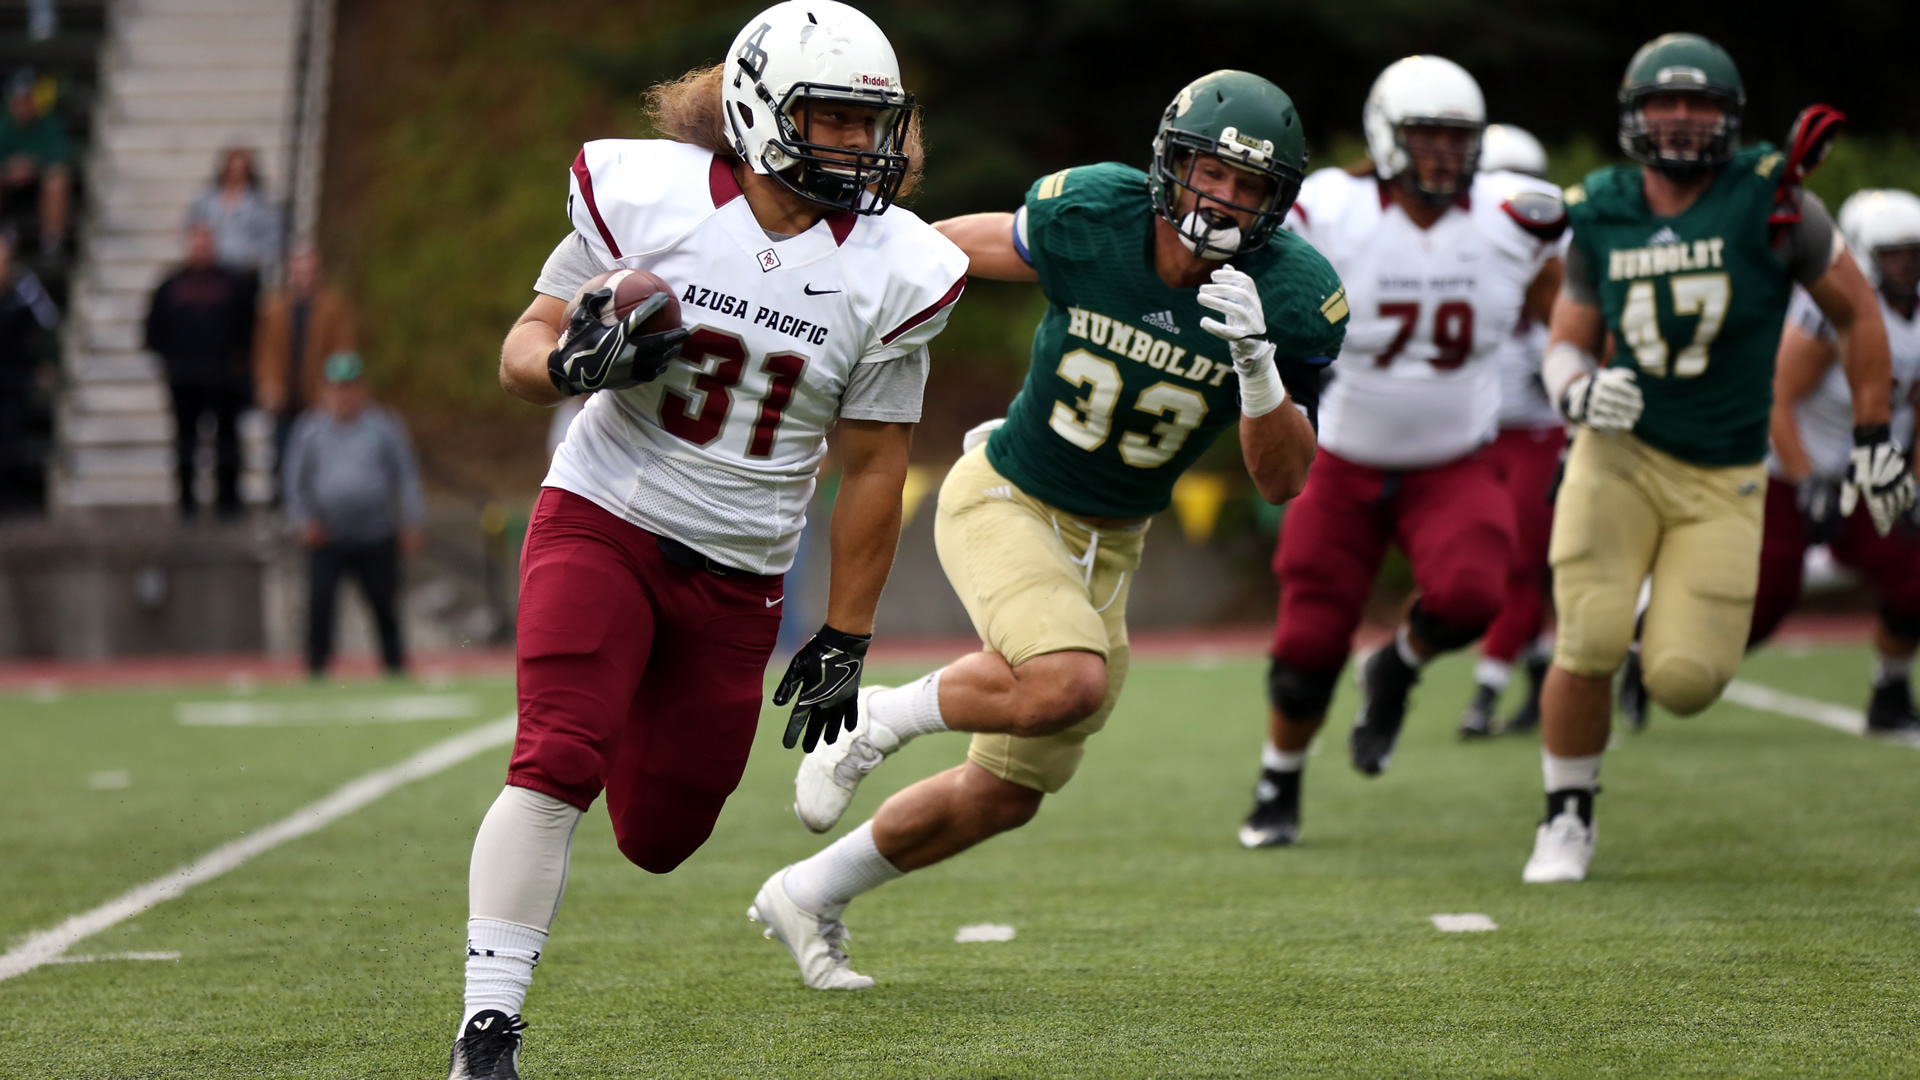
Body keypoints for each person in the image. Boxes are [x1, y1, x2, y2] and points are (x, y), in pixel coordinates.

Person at [444, 4, 967, 1075]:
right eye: (830, 118)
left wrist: (847, 635)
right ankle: (487, 1029)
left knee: (663, 835)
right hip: (605, 514)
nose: (859, 146)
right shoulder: (649, 197)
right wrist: (570, 367)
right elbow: (523, 346)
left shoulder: (897, 268)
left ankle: (623, 694)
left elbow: (872, 464)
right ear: (760, 109)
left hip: (739, 573)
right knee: (555, 759)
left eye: (872, 125)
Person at [758, 69, 1341, 989]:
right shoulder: (1096, 216)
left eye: (1248, 185)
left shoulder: (1293, 292)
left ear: (1277, 202)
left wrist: (1259, 370)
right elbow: (954, 249)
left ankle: (806, 893)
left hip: (1115, 546)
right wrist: (838, 292)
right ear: (1167, 165)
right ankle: (873, 722)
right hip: (1009, 497)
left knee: (1008, 794)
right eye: (1207, 171)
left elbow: (1284, 480)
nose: (1221, 197)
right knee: (1066, 680)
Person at [1521, 33, 1909, 884]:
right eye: (1667, 102)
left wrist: (1877, 434)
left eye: (1701, 104)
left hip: (1726, 474)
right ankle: (1566, 815)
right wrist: (1578, 393)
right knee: (1585, 639)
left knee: (1687, 681)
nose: (1684, 119)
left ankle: (1653, 615)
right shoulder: (1605, 211)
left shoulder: (1776, 203)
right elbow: (1565, 343)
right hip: (1616, 457)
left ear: (1729, 119)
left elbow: (1858, 317)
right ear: (1636, 115)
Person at [1237, 57, 1566, 848]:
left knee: (1473, 596)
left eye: (1458, 139)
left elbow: (1570, 306)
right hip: (1340, 454)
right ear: (1388, 136)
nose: (1444, 155)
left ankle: (1399, 664)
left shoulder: (1514, 216)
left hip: (1455, 456)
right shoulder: (1328, 210)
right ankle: (1279, 776)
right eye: (1427, 136)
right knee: (1309, 639)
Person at [1748, 189, 1920, 732]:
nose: (1908, 263)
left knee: (1913, 578)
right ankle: (1643, 651)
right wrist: (1804, 478)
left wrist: (1914, 482)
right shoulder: (1832, 306)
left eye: (1915, 251)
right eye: (1894, 252)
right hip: (1791, 471)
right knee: (1763, 606)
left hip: (1871, 474)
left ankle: (1889, 690)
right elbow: (1775, 394)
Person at [1456, 123, 1568, 738]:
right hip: (1477, 440)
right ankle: (1534, 678)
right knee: (1496, 565)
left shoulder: (1562, 266)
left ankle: (1486, 691)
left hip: (1541, 437)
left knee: (1521, 565)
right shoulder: (1459, 261)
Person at [282, 352, 422, 678]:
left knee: (384, 603)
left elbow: (405, 475)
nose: (344, 395)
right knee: (320, 603)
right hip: (327, 535)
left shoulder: (383, 426)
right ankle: (317, 667)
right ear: (325, 390)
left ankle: (394, 665)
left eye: (350, 387)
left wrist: (410, 521)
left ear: (362, 389)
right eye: (337, 387)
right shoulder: (310, 429)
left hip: (376, 532)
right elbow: (294, 480)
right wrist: (303, 522)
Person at [143, 223, 258, 519]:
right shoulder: (170, 286)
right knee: (185, 442)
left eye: (206, 243)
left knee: (228, 442)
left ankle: (229, 503)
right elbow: (153, 331)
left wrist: (240, 360)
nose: (202, 249)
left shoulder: (233, 284)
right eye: (196, 243)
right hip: (184, 378)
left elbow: (251, 327)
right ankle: (187, 505)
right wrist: (171, 361)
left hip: (225, 377)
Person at [253, 245, 357, 496]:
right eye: (299, 270)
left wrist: (336, 390)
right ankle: (284, 504)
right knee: (283, 455)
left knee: (320, 457)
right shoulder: (275, 307)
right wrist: (268, 384)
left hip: (318, 395)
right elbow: (265, 352)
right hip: (285, 396)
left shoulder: (332, 306)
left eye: (309, 270)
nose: (304, 276)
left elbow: (343, 349)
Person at [0, 226, 58, 513]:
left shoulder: (24, 286)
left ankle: (11, 500)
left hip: (14, 379)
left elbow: (48, 323)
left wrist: (46, 362)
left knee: (11, 440)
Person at [186, 146, 282, 283]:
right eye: (233, 169)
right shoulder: (208, 198)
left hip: (243, 272)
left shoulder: (260, 203)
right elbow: (193, 225)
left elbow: (273, 237)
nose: (236, 173)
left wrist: (254, 257)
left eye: (240, 169)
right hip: (212, 271)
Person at [0, 70, 69, 256]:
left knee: (57, 180)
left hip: (39, 183)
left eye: (27, 100)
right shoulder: (3, 125)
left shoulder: (49, 124)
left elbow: (60, 158)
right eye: (18, 101)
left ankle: (51, 243)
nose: (23, 106)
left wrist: (33, 167)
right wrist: (9, 168)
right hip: (8, 182)